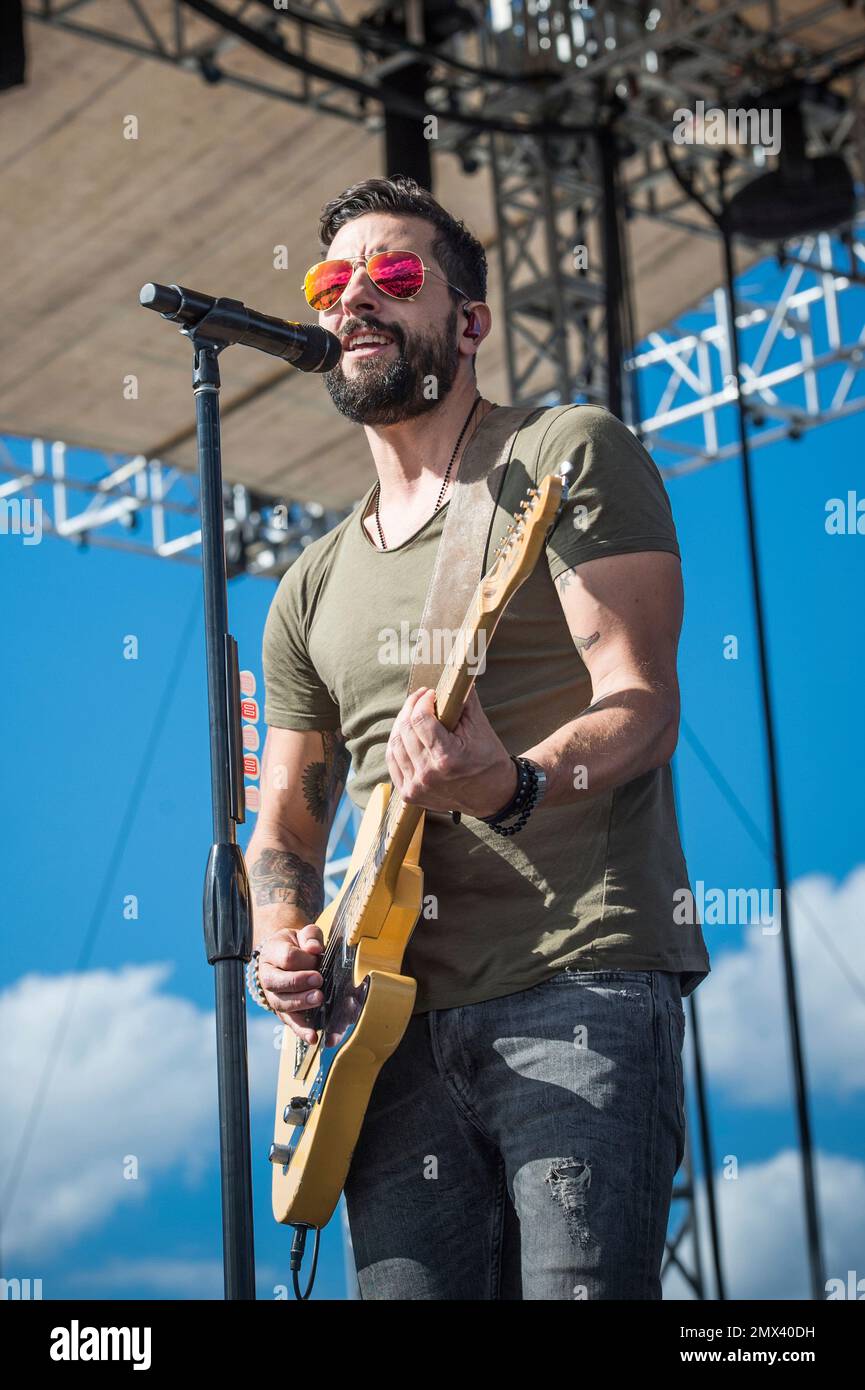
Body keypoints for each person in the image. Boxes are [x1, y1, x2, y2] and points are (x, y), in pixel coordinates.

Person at [244, 175, 710, 1300]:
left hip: (576, 985)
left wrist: (514, 782)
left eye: (394, 276)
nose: (356, 297)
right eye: (332, 282)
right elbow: (286, 827)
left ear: (470, 322)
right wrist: (281, 941)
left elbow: (642, 701)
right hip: (375, 1039)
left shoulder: (562, 455)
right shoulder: (308, 585)